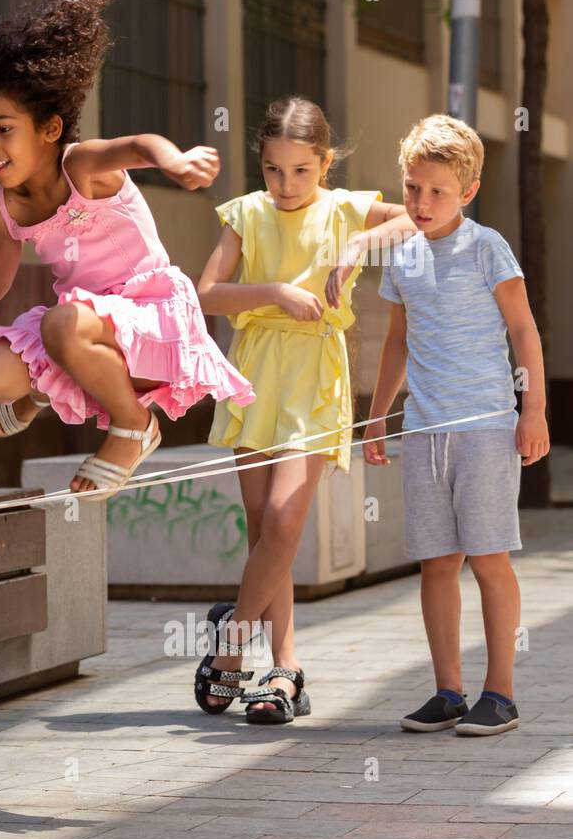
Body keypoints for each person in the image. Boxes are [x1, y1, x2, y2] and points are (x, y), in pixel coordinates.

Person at [0, 0, 252, 502]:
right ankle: (48, 388)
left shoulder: (82, 166)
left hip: (149, 313)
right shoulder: (2, 212)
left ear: (48, 128)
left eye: (4, 128)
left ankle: (134, 427)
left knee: (64, 324)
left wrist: (176, 160)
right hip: (83, 325)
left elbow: (139, 144)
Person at [195, 96, 415, 724]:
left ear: (325, 163)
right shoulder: (245, 215)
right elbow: (206, 293)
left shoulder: (346, 209)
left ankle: (233, 648)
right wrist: (276, 292)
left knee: (286, 525)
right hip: (255, 369)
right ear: (260, 164)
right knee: (265, 531)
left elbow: (420, 216)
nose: (286, 184)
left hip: (317, 375)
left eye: (300, 170)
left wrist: (358, 247)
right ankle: (284, 670)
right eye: (272, 170)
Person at [363, 115, 548, 736]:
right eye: (413, 188)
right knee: (436, 562)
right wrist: (378, 416)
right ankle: (448, 690)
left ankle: (502, 693)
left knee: (488, 558)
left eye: (437, 191)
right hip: (423, 431)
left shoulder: (487, 246)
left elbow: (524, 330)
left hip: (487, 427)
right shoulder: (402, 255)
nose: (421, 202)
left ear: (468, 191)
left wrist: (535, 410)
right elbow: (396, 341)